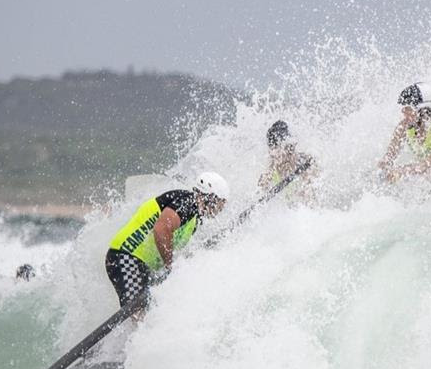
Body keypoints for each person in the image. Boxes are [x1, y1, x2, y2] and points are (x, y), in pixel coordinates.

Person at [105, 172, 229, 309]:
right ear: (210, 197)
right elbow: (161, 229)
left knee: (151, 311)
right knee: (138, 311)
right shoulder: (188, 202)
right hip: (126, 256)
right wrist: (170, 265)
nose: (221, 209)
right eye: (221, 203)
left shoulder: (194, 217)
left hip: (141, 264)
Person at [378, 83, 431, 183]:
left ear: (423, 110)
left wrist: (404, 171)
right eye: (403, 108)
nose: (403, 112)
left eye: (408, 108)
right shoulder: (404, 126)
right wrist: (384, 166)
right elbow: (390, 155)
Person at [258, 120, 318, 202]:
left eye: (276, 148)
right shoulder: (269, 171)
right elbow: (259, 195)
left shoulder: (306, 165)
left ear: (290, 147)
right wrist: (263, 186)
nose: (272, 154)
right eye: (271, 148)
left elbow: (312, 204)